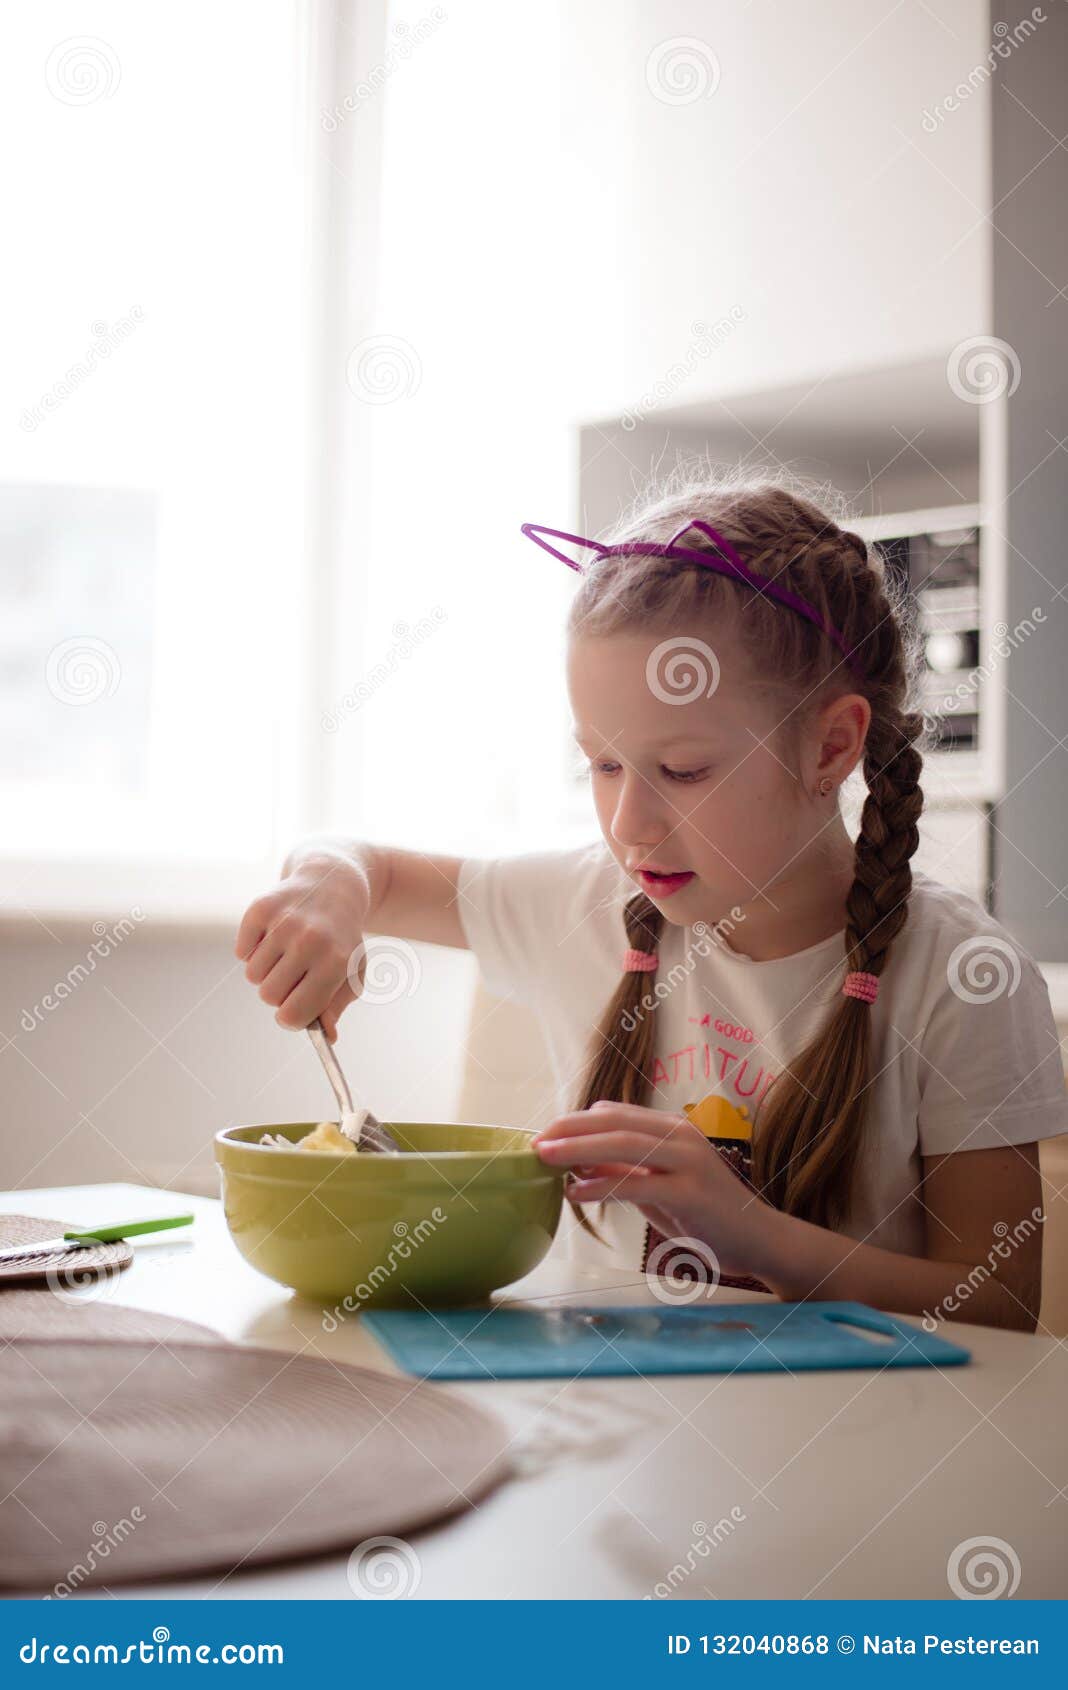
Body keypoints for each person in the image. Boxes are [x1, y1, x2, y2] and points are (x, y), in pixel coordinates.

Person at [235, 470, 1067, 1330]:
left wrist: (755, 1236)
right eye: (602, 764)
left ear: (830, 747)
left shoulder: (961, 975)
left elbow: (1000, 1308)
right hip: (598, 1407)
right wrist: (324, 891)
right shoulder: (582, 902)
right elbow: (363, 868)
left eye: (683, 770)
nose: (628, 824)